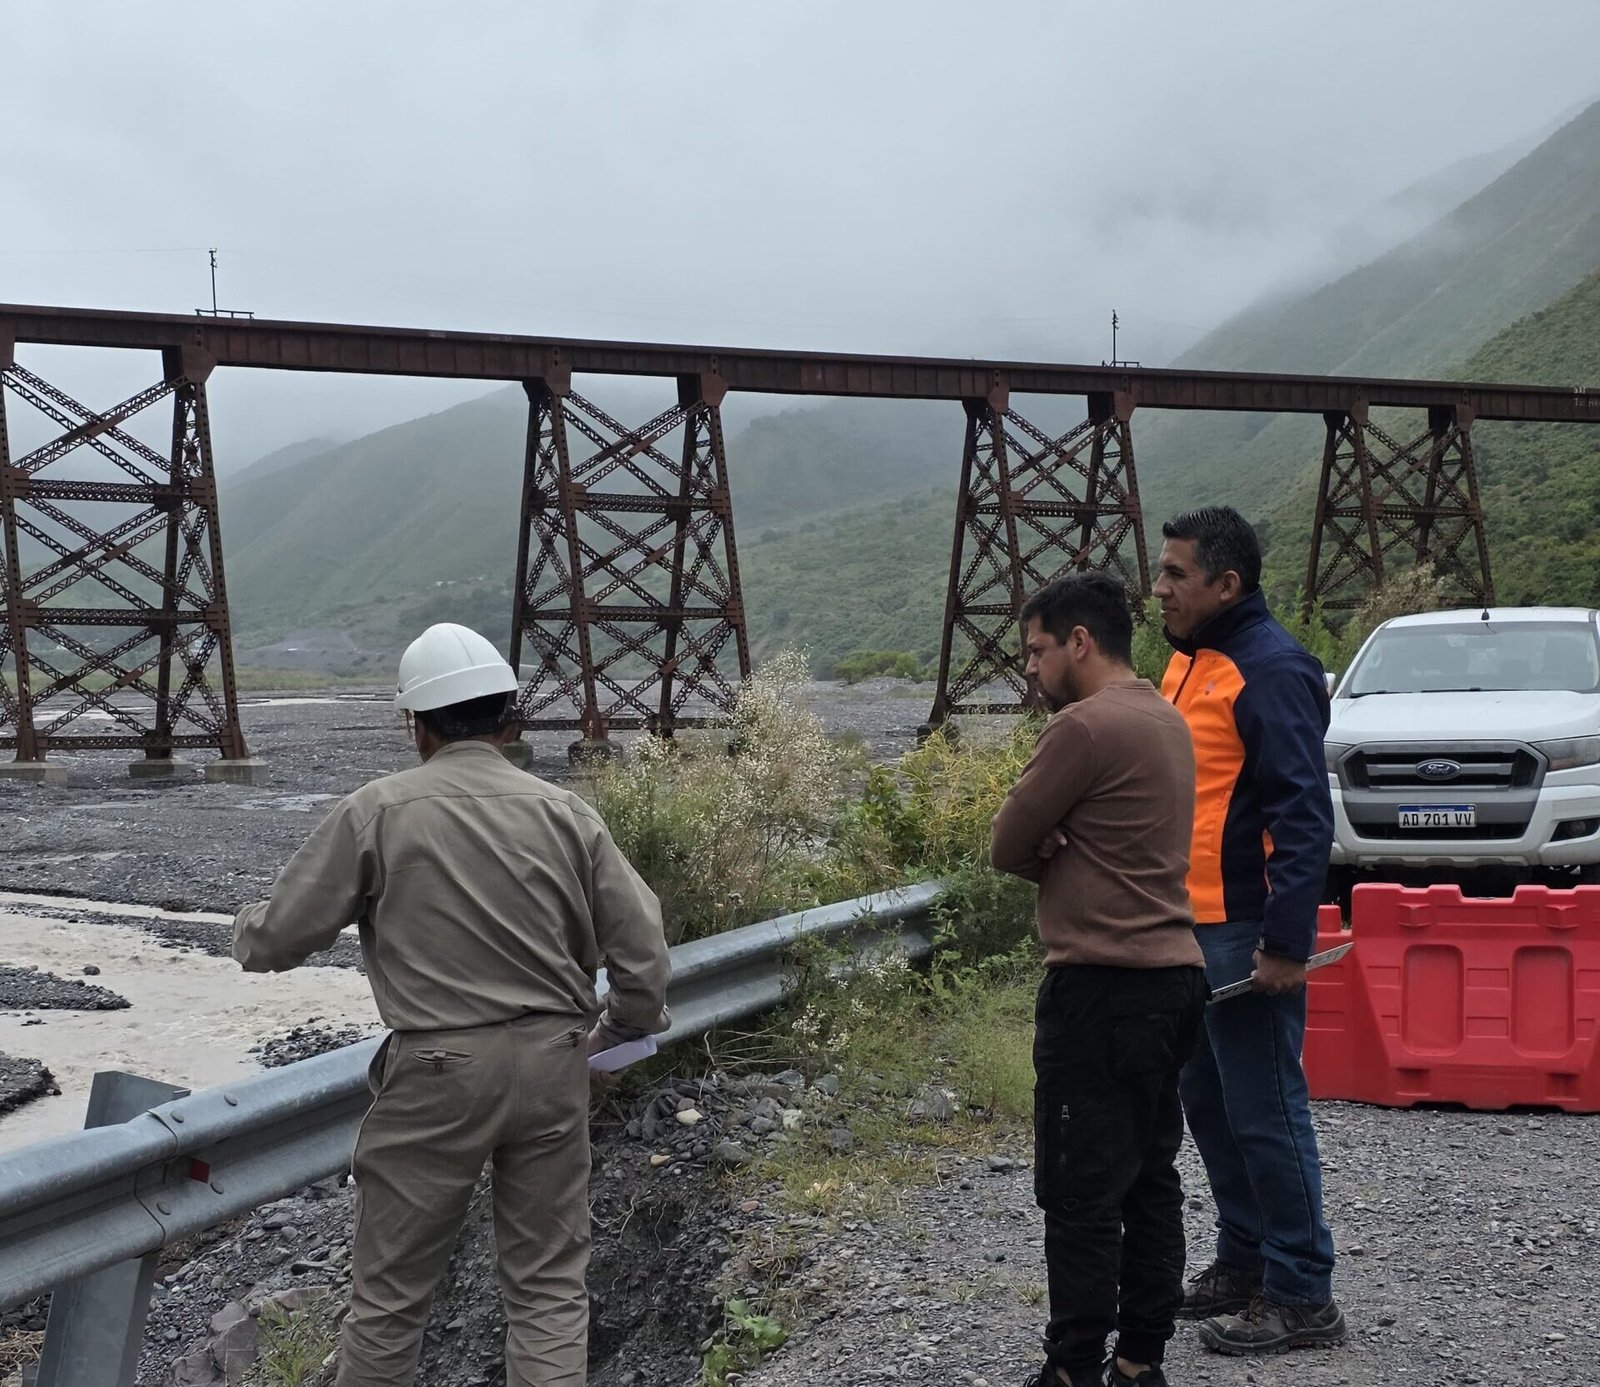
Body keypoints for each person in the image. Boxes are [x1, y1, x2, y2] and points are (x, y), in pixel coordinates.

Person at [232, 622, 670, 1387]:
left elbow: (276, 940)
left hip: (436, 1072)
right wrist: (620, 1030)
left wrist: (247, 926)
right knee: (547, 1290)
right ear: (507, 716)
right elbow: (643, 951)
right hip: (554, 1063)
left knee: (392, 1300)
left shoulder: (380, 810)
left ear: (418, 723)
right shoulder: (568, 813)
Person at [991, 572, 1209, 1387]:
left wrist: (1050, 842)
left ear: (1079, 641)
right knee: (1151, 1178)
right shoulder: (1166, 718)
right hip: (1174, 979)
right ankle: (1139, 1360)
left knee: (1081, 1191)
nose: (1034, 670)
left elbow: (1007, 842)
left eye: (1038, 651)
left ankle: (1072, 1369)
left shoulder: (1081, 728)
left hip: (1100, 988)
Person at [1151, 506, 1346, 1355]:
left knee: (1265, 1107)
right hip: (1186, 925)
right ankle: (1244, 1259)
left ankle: (1303, 1292)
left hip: (1242, 926)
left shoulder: (1269, 671)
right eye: (1160, 571)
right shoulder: (1192, 662)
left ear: (1226, 584)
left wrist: (1286, 942)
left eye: (1174, 575)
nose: (1157, 587)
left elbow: (1304, 815)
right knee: (1210, 1102)